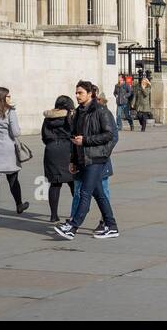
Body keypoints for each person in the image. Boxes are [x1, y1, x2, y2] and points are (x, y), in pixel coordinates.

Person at [54, 80, 119, 240]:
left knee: (85, 192)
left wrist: (86, 141)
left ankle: (73, 227)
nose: (77, 96)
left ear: (90, 94)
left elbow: (109, 134)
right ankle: (111, 226)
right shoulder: (78, 113)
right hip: (83, 158)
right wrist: (73, 160)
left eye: (80, 93)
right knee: (99, 194)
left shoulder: (100, 111)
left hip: (97, 157)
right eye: (76, 93)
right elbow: (74, 138)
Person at [0, 86, 30, 220]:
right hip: (8, 149)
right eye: (8, 96)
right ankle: (19, 204)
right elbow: (16, 132)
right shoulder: (10, 111)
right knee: (13, 178)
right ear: (3, 97)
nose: (10, 98)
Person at [42, 94, 75, 224]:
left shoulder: (48, 118)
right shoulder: (70, 117)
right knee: (73, 182)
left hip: (51, 150)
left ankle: (53, 215)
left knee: (55, 184)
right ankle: (76, 211)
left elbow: (44, 136)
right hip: (67, 150)